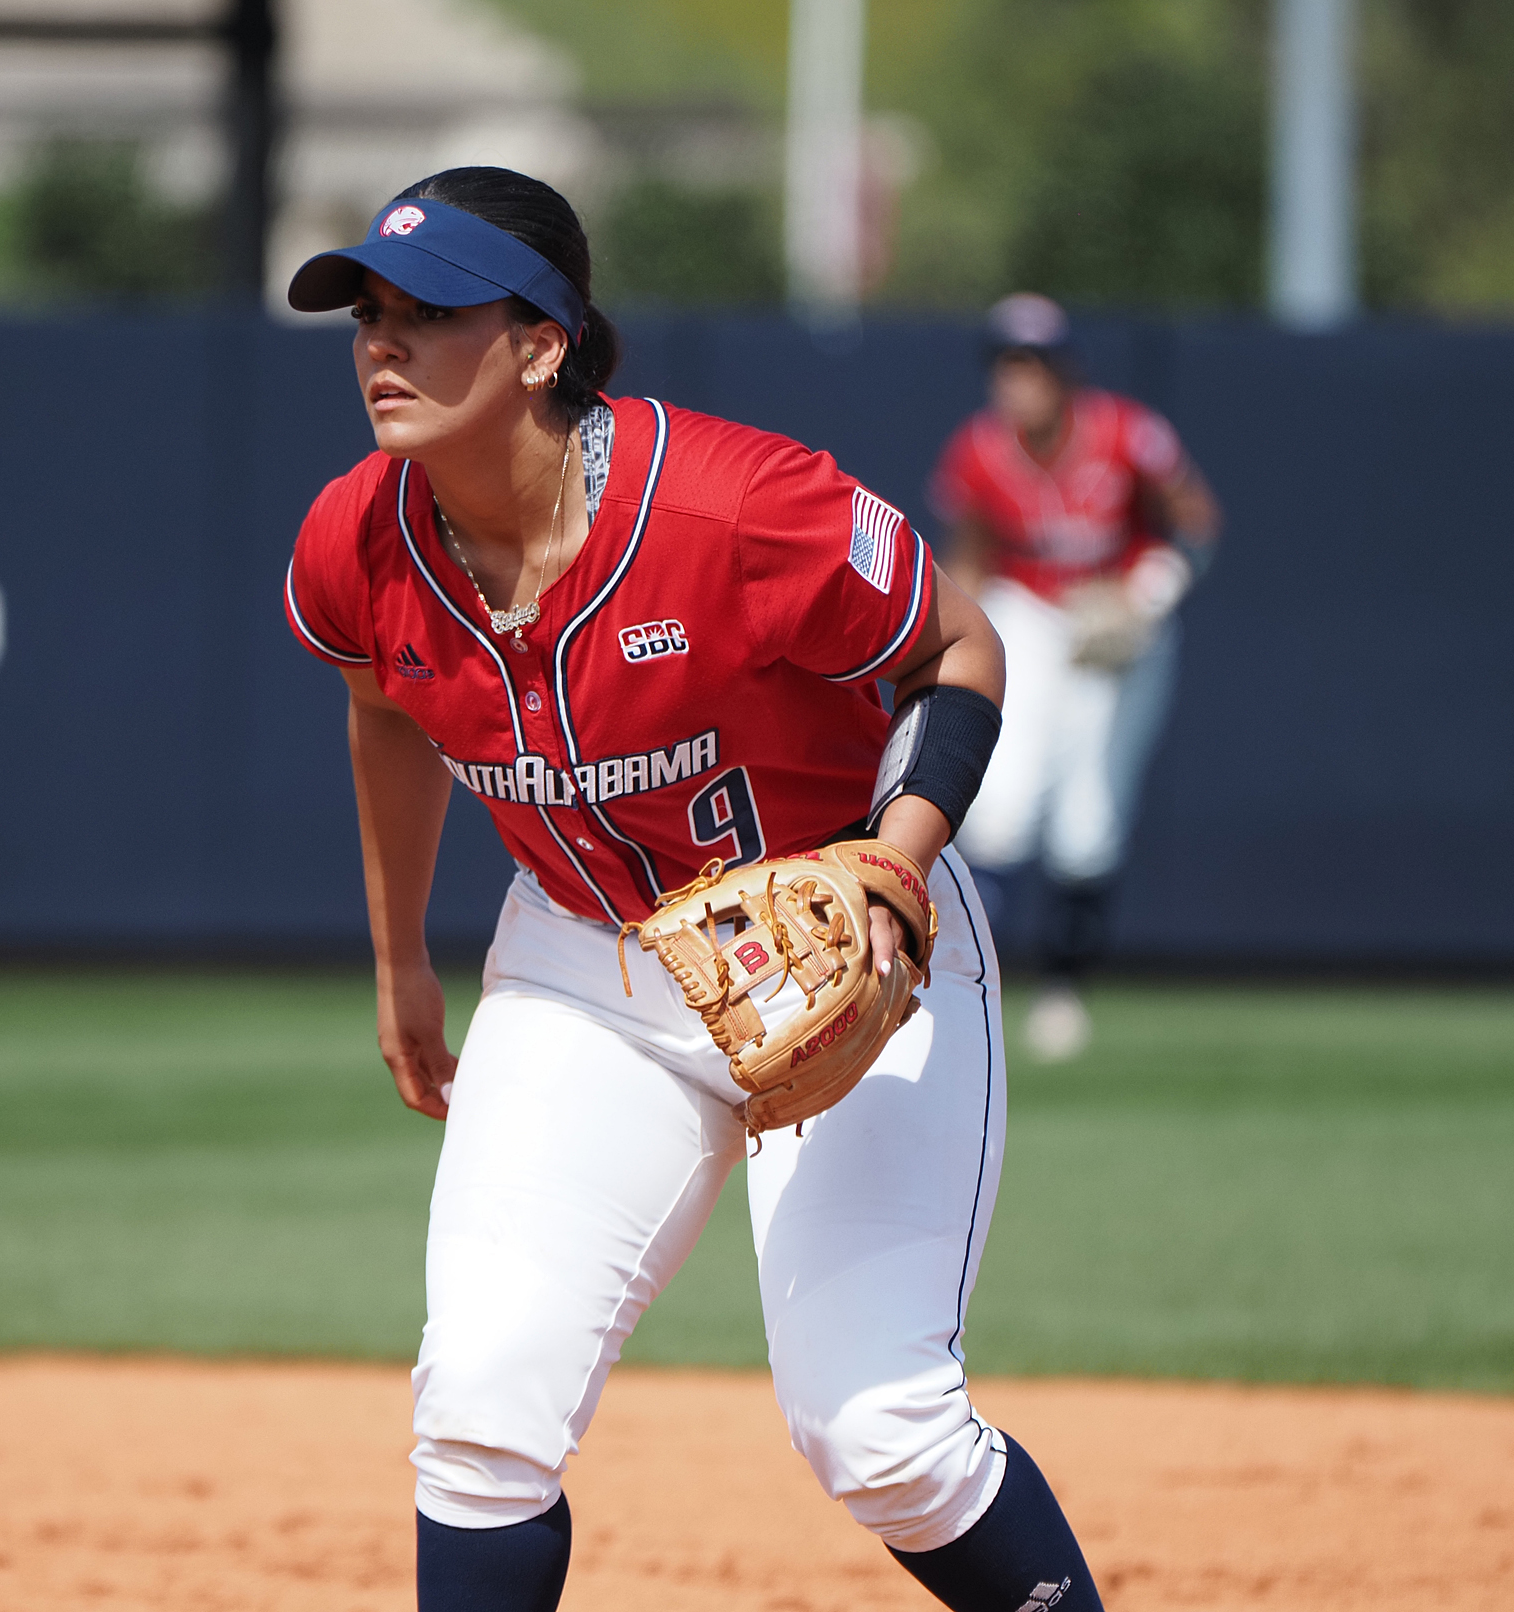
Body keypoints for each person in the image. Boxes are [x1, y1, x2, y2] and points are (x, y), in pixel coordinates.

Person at [284, 167, 1108, 1612]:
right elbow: (385, 707)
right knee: (478, 1407)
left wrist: (897, 868)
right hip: (583, 966)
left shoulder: (733, 506)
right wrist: (400, 958)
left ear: (541, 342)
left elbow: (958, 649)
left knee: (882, 1434)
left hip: (842, 937)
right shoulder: (360, 540)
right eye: (367, 313)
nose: (381, 345)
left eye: (429, 313)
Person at [930, 294, 1220, 1061]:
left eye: (1032, 365)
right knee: (1003, 806)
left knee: (1089, 819)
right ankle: (961, 983)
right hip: (1030, 612)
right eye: (1006, 366)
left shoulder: (1126, 433)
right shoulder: (981, 450)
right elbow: (971, 556)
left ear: (1065, 370)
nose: (1018, 381)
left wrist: (1153, 587)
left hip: (1120, 619)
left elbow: (1195, 517)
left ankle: (1063, 991)